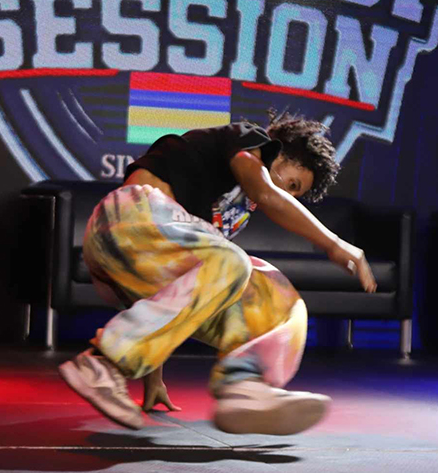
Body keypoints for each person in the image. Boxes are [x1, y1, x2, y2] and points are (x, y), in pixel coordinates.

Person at [58, 111, 377, 435]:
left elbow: (177, 290)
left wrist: (152, 374)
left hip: (131, 269)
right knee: (234, 262)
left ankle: (244, 385)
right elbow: (267, 193)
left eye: (296, 193)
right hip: (125, 219)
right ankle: (103, 362)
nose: (290, 196)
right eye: (292, 184)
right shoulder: (248, 137)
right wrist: (334, 243)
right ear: (277, 152)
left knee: (275, 297)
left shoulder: (221, 212)